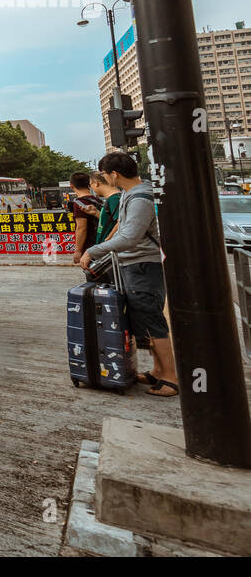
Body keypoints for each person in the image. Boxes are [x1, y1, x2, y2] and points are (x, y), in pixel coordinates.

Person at [80, 151, 177, 397]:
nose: (102, 178)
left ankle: (171, 377)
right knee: (145, 321)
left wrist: (93, 250)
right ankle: (157, 370)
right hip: (134, 266)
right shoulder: (130, 194)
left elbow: (130, 236)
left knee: (153, 321)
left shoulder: (140, 197)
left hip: (143, 266)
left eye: (103, 174)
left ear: (114, 174)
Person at [69, 171, 103, 265]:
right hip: (101, 243)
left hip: (89, 247)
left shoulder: (79, 203)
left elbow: (81, 228)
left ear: (72, 185)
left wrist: (78, 250)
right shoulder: (97, 200)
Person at [88, 170, 120, 245]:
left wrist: (108, 238)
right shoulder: (112, 198)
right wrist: (96, 213)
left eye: (90, 185)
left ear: (96, 183)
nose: (91, 188)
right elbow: (111, 219)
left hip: (109, 247)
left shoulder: (114, 199)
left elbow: (121, 222)